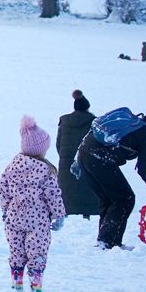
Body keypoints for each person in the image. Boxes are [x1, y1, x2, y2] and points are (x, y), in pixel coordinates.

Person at [76, 106, 146, 250]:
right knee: (125, 198)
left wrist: (77, 160)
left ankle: (105, 242)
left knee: (109, 199)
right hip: (100, 159)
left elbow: (93, 130)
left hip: (85, 153)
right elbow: (144, 168)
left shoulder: (132, 123)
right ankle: (108, 243)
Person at [0, 116, 66, 292]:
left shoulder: (11, 166)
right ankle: (36, 287)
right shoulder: (46, 170)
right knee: (37, 251)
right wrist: (59, 215)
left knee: (16, 250)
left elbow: (3, 189)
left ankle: (16, 284)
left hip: (14, 217)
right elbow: (53, 194)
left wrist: (5, 210)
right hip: (37, 219)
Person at [55, 90, 100, 220]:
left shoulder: (64, 122)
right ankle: (87, 212)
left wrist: (65, 157)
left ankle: (67, 211)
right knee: (87, 189)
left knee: (67, 193)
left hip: (66, 165)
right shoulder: (94, 122)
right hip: (86, 164)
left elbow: (59, 145)